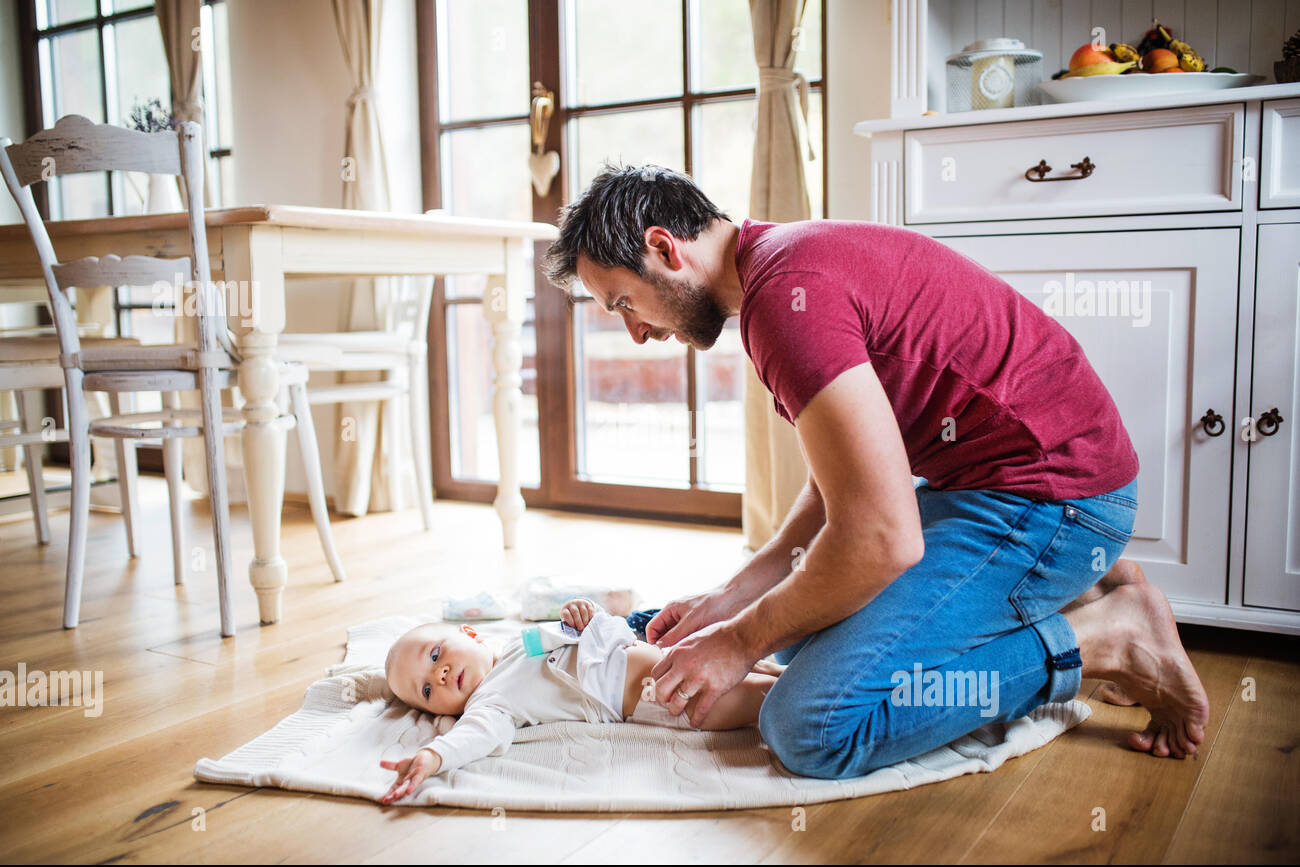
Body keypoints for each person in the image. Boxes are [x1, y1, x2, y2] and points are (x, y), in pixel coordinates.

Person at [540, 163, 1209, 780]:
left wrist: (740, 642)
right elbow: (840, 488)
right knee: (800, 646)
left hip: (1053, 494)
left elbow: (883, 537)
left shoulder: (785, 301)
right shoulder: (780, 264)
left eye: (623, 302)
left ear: (663, 248)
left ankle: (1103, 636)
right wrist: (733, 599)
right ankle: (1073, 585)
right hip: (1001, 477)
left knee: (809, 723)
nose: (635, 331)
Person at [378, 597, 781, 804]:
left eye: (435, 656)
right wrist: (433, 757)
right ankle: (817, 699)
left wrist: (583, 611)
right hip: (658, 697)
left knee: (759, 666)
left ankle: (809, 668)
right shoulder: (490, 704)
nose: (440, 674)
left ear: (469, 633)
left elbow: (584, 630)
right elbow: (474, 737)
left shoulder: (520, 640)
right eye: (428, 691)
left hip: (662, 653)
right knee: (766, 700)